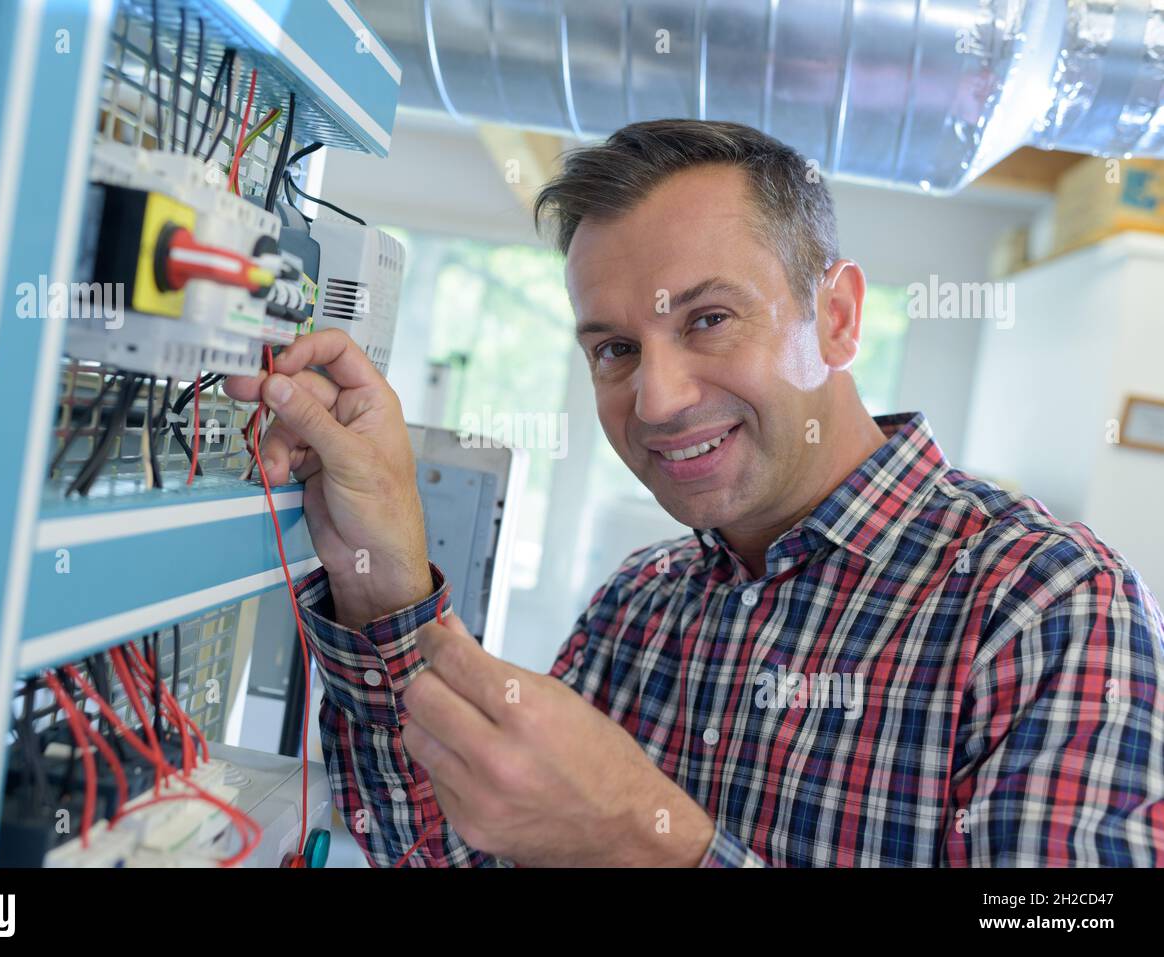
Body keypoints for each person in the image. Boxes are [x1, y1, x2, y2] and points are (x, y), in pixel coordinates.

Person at [226, 120, 1164, 867]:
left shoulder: (1046, 601)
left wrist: (650, 839)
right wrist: (381, 571)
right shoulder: (642, 603)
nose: (658, 399)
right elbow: (440, 850)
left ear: (834, 318)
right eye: (615, 349)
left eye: (709, 319)